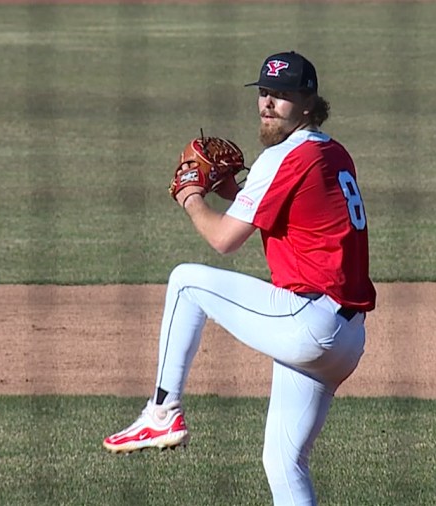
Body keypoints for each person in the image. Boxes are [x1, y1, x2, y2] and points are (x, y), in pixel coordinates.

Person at [103, 50, 377, 506]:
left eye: (282, 95)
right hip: (345, 339)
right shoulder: (331, 152)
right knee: (283, 463)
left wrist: (192, 197)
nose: (268, 103)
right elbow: (294, 212)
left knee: (187, 283)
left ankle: (162, 411)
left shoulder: (282, 158)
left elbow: (224, 240)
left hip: (308, 322)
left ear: (308, 102)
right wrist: (238, 192)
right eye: (264, 92)